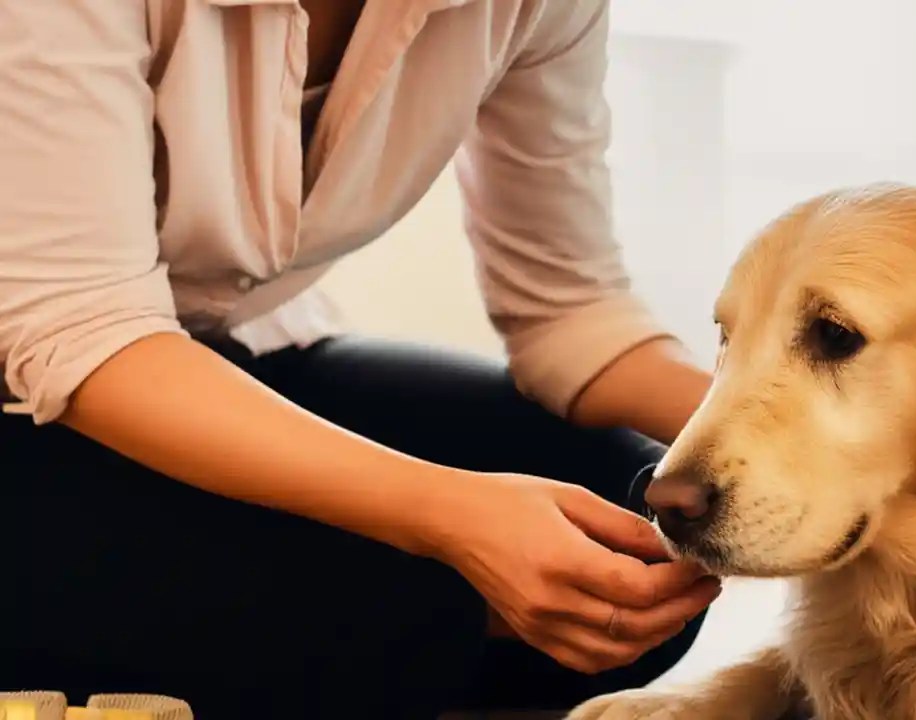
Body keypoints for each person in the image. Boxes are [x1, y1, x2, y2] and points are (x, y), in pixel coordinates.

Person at [0, 1, 720, 718]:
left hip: (211, 352)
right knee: (394, 595)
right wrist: (448, 515)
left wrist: (783, 433)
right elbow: (80, 326)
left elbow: (570, 311)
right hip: (39, 390)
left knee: (629, 522)